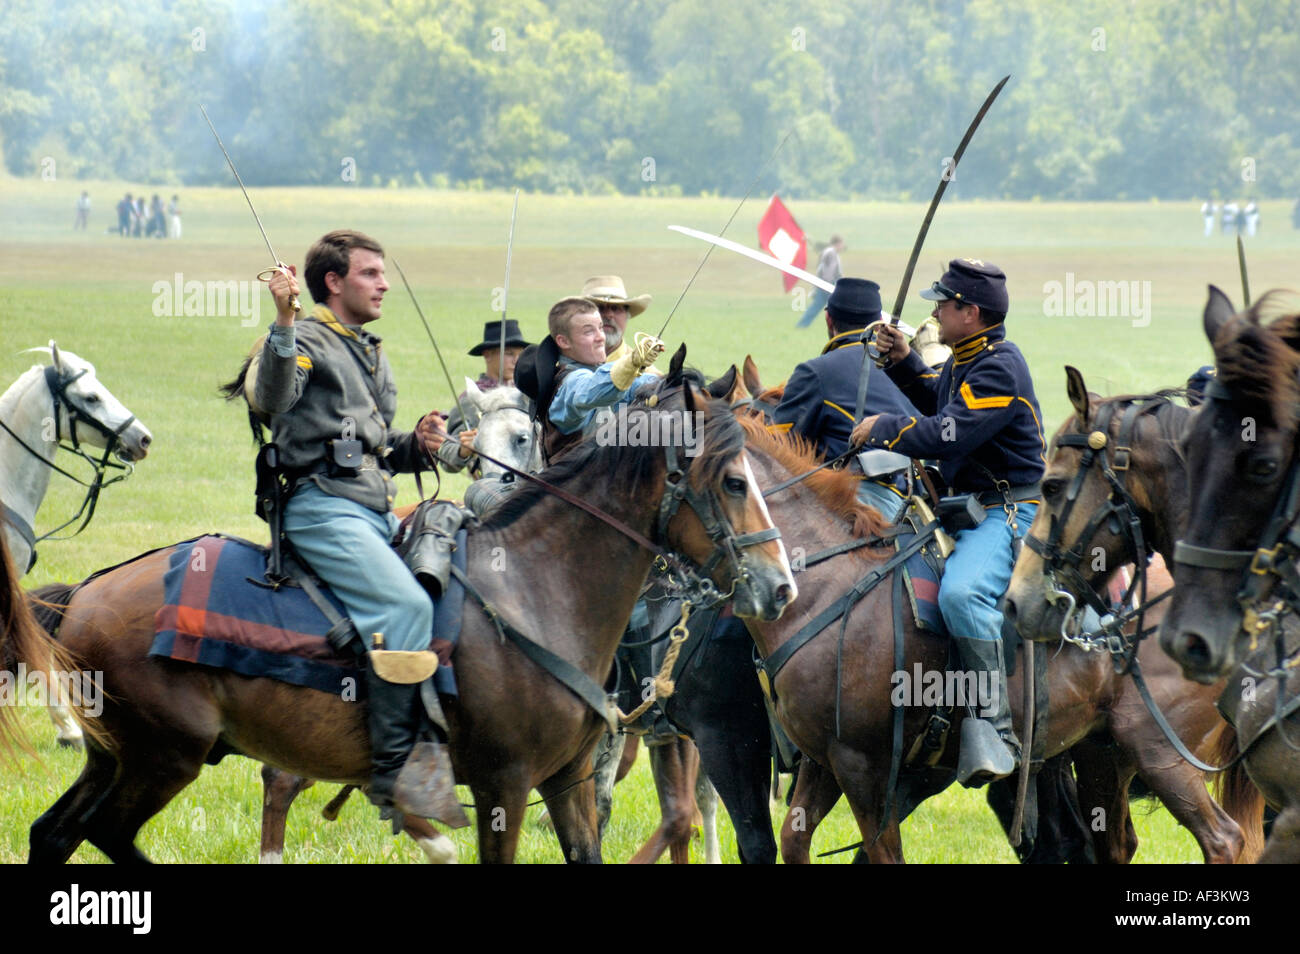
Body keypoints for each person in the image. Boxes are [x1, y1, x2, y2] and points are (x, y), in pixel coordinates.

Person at [246, 229, 456, 820]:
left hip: (369, 504)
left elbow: (369, 446)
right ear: (333, 282)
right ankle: (394, 773)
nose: (384, 282)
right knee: (406, 609)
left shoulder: (366, 348)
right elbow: (273, 396)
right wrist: (283, 324)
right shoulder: (306, 338)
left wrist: (416, 443)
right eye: (370, 273)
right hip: (319, 507)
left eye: (383, 273)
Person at [850, 258, 1045, 786]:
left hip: (1009, 510)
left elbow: (948, 433)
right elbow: (940, 400)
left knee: (961, 597)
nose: (935, 310)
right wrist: (903, 360)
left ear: (970, 312)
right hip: (966, 507)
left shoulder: (1000, 366)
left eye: (943, 303)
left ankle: (996, 728)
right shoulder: (970, 358)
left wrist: (883, 427)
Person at [773, 277, 920, 521]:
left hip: (852, 499)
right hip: (913, 502)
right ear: (879, 324)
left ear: (828, 320)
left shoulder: (814, 373)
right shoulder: (908, 371)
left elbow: (778, 454)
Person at [516, 296, 663, 465]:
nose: (601, 337)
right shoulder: (569, 385)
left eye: (600, 328)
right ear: (563, 341)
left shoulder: (595, 375)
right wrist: (633, 361)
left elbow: (640, 385)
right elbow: (593, 390)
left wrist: (675, 383)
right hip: (570, 489)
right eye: (588, 331)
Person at [435, 318, 532, 475]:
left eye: (520, 354)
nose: (516, 360)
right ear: (487, 355)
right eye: (509, 353)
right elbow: (447, 455)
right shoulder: (472, 400)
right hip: (491, 487)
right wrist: (462, 450)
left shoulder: (529, 395)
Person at [577, 276, 659, 372]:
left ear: (627, 315)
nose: (608, 315)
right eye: (599, 308)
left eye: (616, 308)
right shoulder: (559, 364)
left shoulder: (647, 375)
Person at [797, 235, 844, 328]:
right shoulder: (831, 253)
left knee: (818, 305)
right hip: (828, 283)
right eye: (842, 244)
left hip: (825, 282)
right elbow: (830, 270)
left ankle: (802, 325)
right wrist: (828, 285)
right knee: (837, 306)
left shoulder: (829, 251)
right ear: (838, 243)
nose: (843, 246)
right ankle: (840, 327)